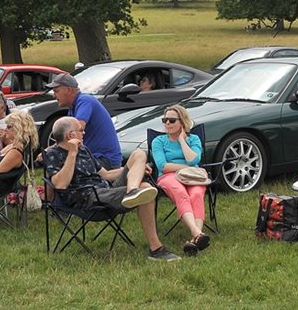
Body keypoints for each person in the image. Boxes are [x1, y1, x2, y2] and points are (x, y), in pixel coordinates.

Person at [44, 117, 180, 261]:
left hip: (106, 190)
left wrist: (135, 168)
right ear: (70, 135)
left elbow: (106, 174)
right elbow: (60, 184)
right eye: (81, 130)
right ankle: (156, 249)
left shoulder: (84, 149)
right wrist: (72, 153)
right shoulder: (52, 154)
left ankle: (132, 190)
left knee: (139, 154)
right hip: (88, 198)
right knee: (146, 188)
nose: (84, 133)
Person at [151, 104, 210, 256]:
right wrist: (185, 166)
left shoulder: (193, 139)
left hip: (192, 176)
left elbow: (194, 158)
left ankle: (194, 240)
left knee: (196, 194)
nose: (167, 123)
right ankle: (197, 233)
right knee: (180, 192)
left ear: (182, 122)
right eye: (165, 120)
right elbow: (163, 166)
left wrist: (182, 141)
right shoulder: (158, 141)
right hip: (168, 177)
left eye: (172, 120)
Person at [48, 72, 122, 169]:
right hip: (95, 157)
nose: (54, 95)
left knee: (67, 171)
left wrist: (52, 150)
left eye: (56, 91)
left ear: (68, 90)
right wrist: (50, 150)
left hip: (105, 160)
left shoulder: (85, 101)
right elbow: (68, 136)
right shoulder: (73, 108)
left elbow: (76, 132)